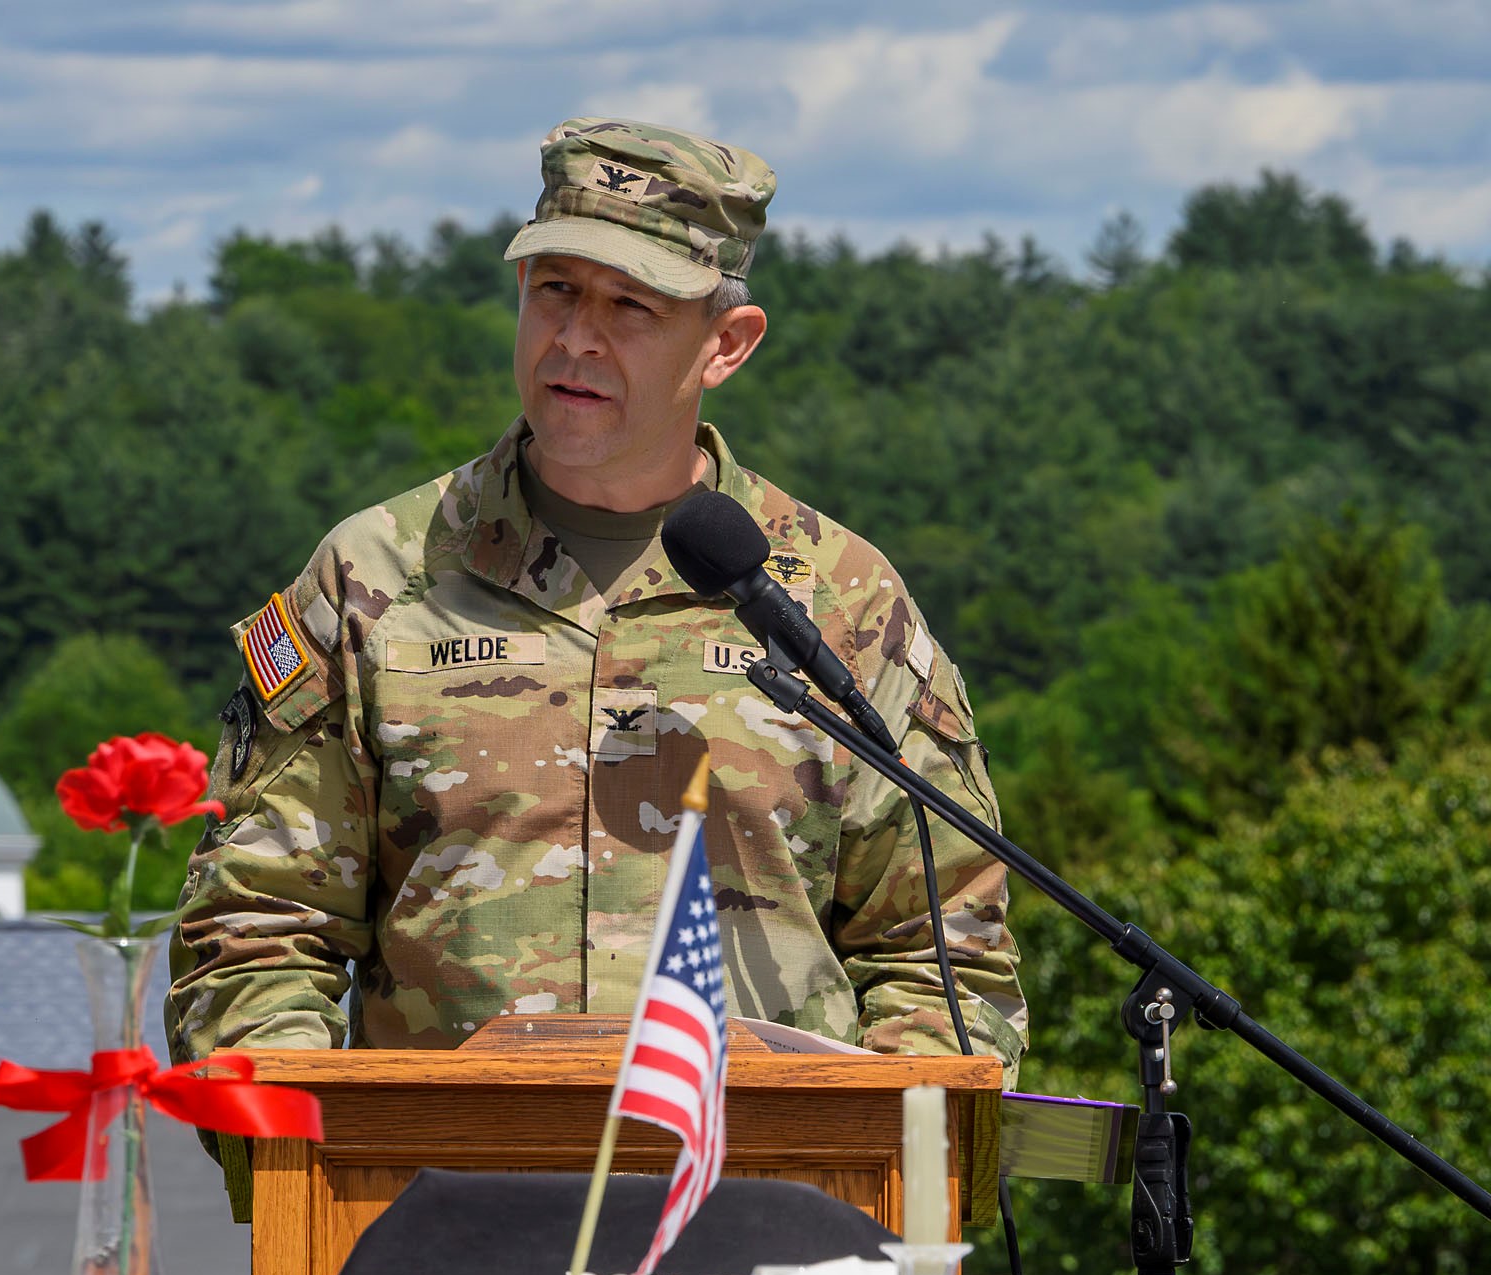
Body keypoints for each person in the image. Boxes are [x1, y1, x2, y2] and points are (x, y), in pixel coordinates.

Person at [166, 118, 1027, 1076]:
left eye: (632, 308)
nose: (577, 339)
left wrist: (878, 1166)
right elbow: (251, 930)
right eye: (556, 292)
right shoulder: (374, 576)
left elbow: (945, 956)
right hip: (443, 1201)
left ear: (726, 345)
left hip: (762, 1201)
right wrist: (320, 1163)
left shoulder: (843, 600)